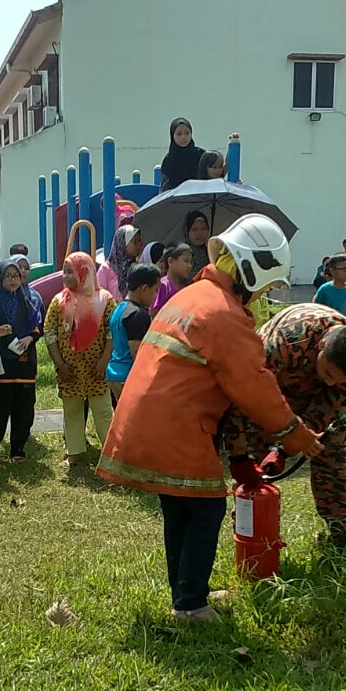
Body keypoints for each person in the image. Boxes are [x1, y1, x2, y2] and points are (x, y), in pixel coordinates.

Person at [98, 215, 324, 620]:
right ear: (251, 270)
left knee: (180, 508)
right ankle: (190, 604)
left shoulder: (194, 295)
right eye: (265, 286)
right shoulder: (224, 314)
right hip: (176, 422)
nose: (263, 294)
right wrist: (295, 435)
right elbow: (253, 385)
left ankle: (186, 594)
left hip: (151, 414)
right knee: (205, 508)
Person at [221, 303, 346, 548]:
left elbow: (327, 409)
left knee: (331, 457)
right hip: (271, 389)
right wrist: (239, 455)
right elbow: (243, 398)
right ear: (323, 346)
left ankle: (342, 534)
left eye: (338, 380)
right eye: (328, 373)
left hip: (311, 398)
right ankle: (250, 537)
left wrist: (285, 448)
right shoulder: (285, 343)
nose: (330, 382)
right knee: (254, 471)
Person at [44, 252, 115, 468]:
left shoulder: (105, 300)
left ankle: (112, 455)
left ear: (84, 272)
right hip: (70, 370)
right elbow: (49, 332)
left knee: (103, 411)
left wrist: (104, 361)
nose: (65, 276)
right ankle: (74, 453)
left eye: (70, 272)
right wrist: (59, 364)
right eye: (64, 271)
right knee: (72, 411)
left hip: (97, 369)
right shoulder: (59, 301)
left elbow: (113, 332)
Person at [0, 257, 43, 460]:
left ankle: (18, 449)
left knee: (23, 407)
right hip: (1, 362)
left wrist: (30, 337)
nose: (13, 279)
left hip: (24, 361)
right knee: (0, 407)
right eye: (8, 276)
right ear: (0, 278)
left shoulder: (28, 300)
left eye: (16, 276)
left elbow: (38, 325)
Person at [106, 262, 160, 400]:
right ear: (144, 289)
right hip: (128, 376)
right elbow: (137, 353)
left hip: (114, 373)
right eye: (155, 290)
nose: (156, 296)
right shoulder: (138, 314)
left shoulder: (118, 309)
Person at [158, 117, 205, 193]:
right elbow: (164, 190)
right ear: (173, 136)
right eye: (179, 134)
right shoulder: (169, 160)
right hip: (177, 199)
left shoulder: (201, 155)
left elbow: (213, 177)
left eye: (187, 133)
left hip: (201, 197)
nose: (183, 137)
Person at [97, 223, 142, 297]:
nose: (139, 245)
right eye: (135, 242)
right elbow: (100, 297)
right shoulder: (106, 269)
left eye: (139, 241)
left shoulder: (137, 268)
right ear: (122, 243)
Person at [151, 242, 194, 316]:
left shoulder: (185, 287)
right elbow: (154, 314)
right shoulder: (162, 286)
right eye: (186, 261)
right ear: (170, 261)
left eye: (190, 262)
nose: (189, 266)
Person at [314, 253, 346, 318]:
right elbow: (315, 308)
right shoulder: (324, 289)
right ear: (332, 271)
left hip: (344, 323)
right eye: (343, 269)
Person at [184, 209, 212, 280]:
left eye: (203, 229)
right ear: (187, 232)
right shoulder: (182, 255)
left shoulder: (212, 253)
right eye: (194, 229)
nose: (199, 233)